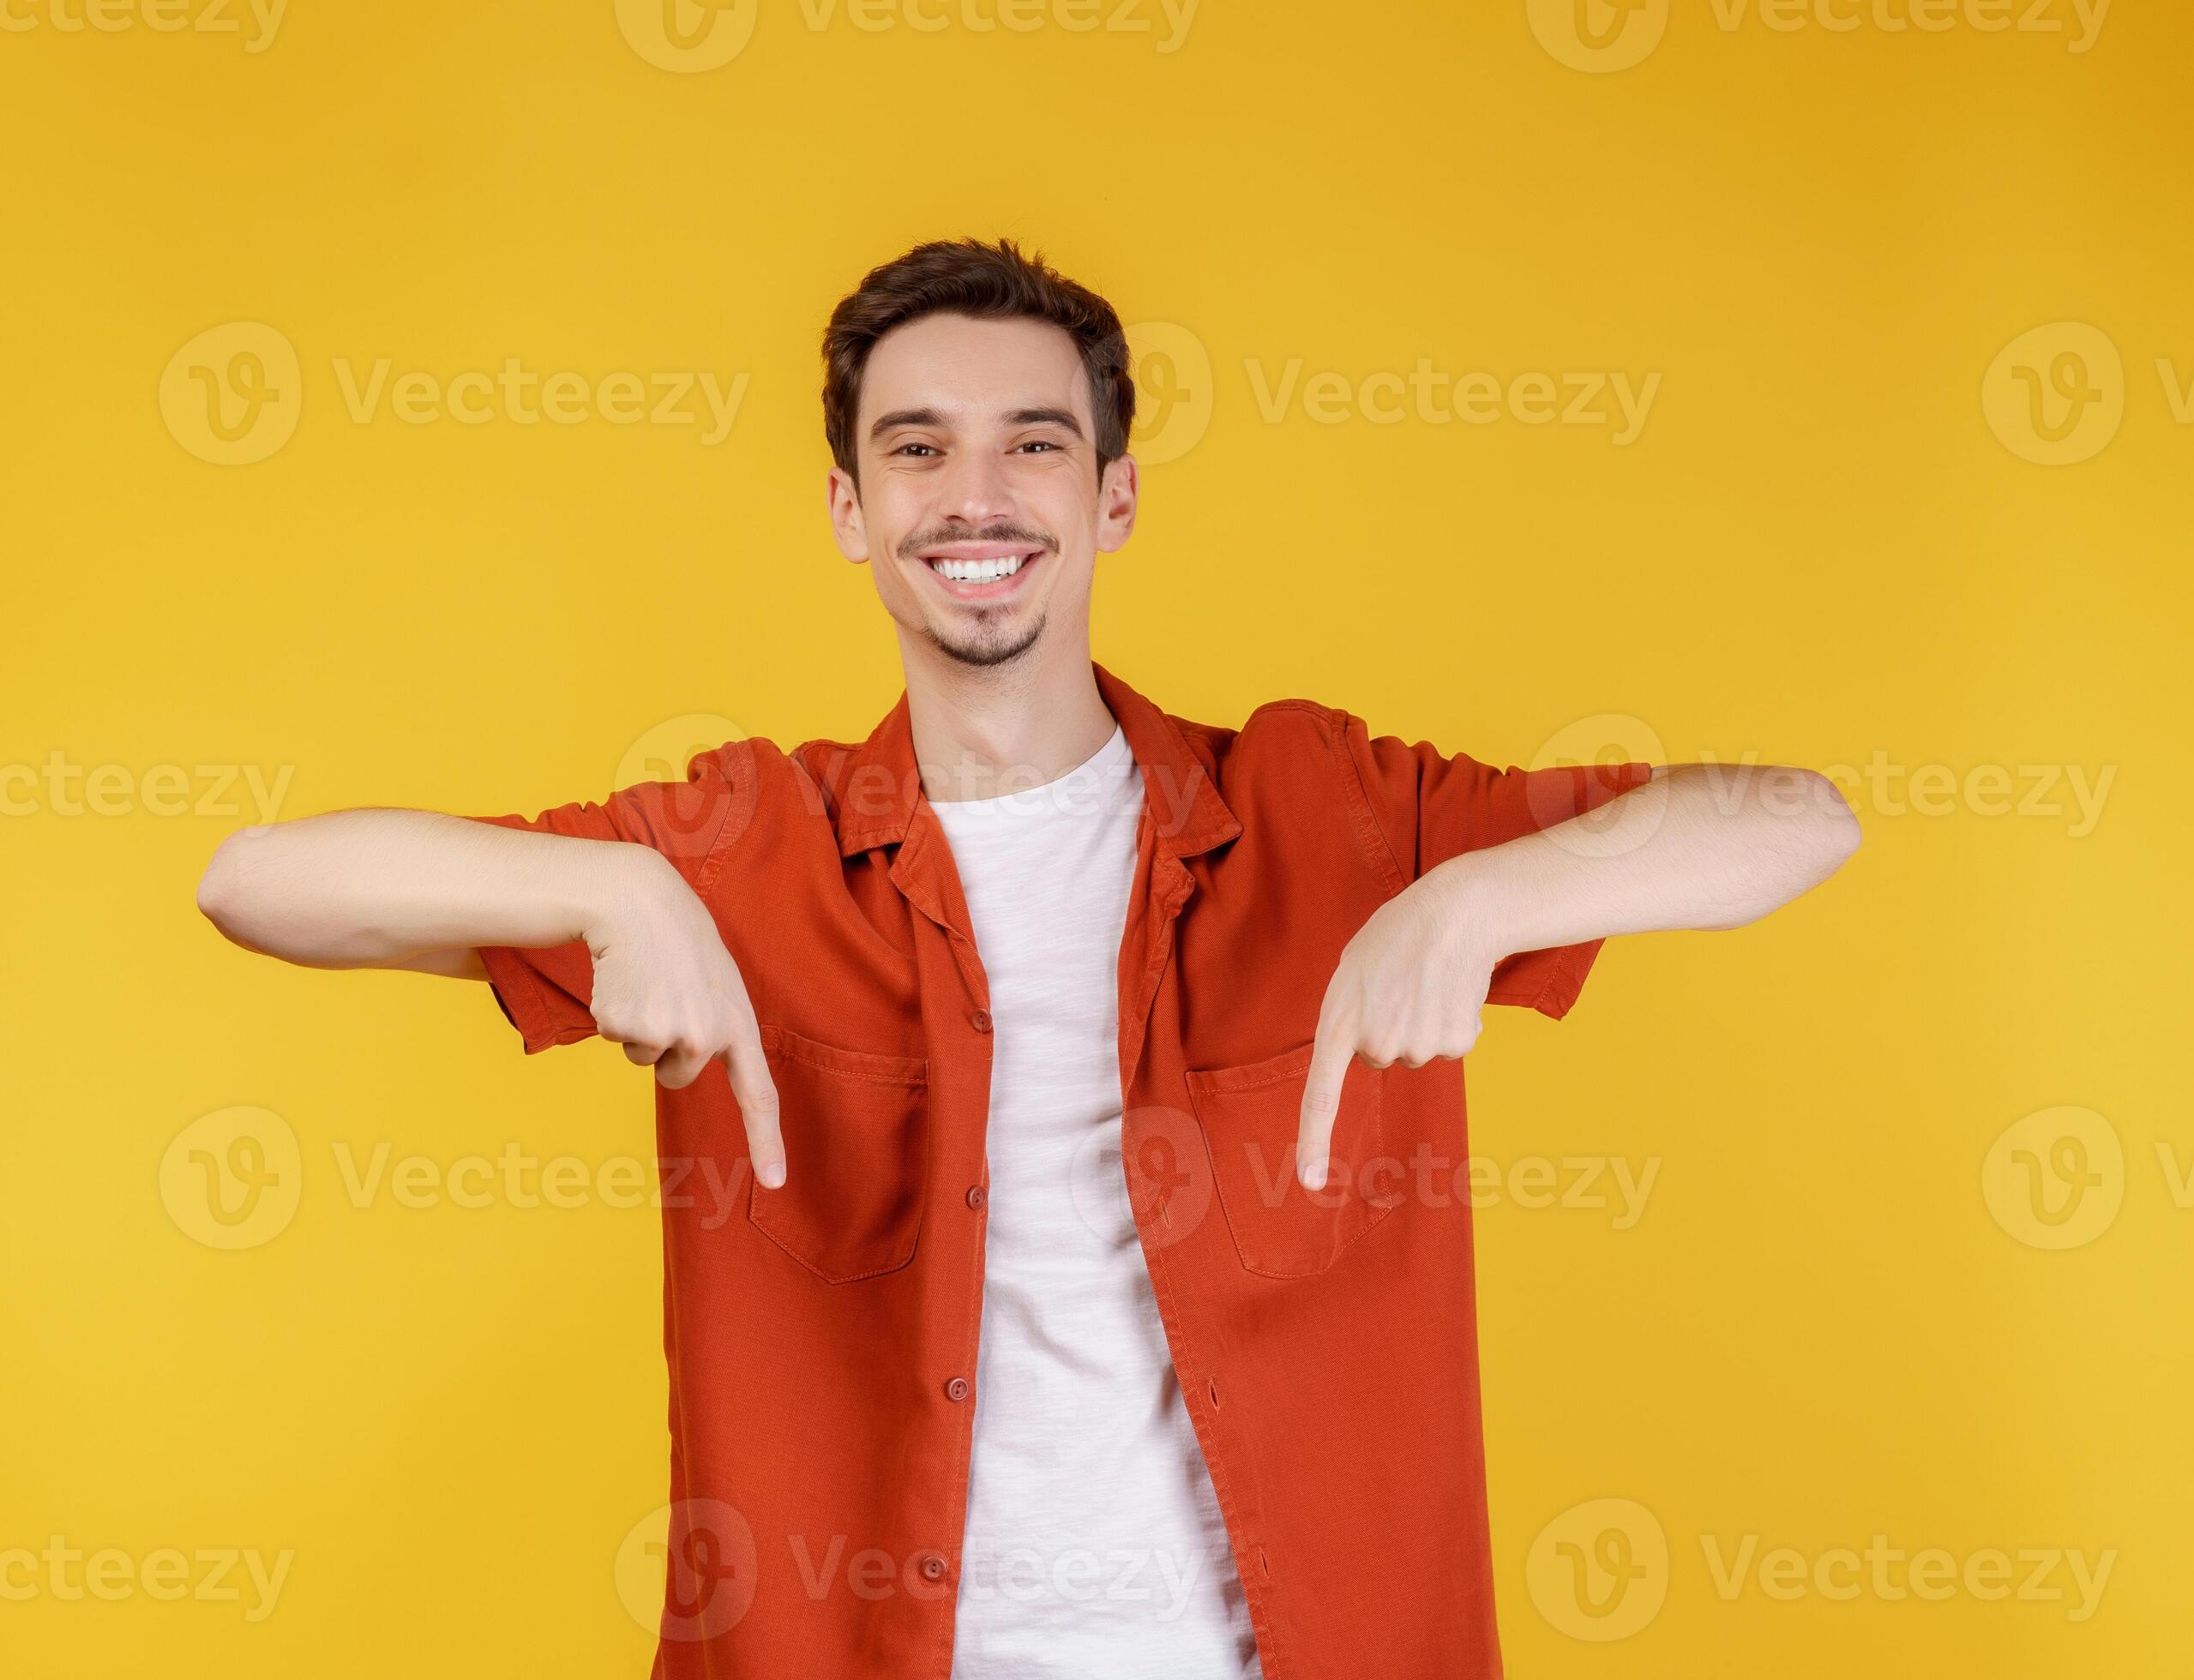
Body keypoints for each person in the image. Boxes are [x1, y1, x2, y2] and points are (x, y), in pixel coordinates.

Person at [195, 237, 1860, 1678]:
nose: (973, 495)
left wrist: (1473, 901)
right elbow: (257, 880)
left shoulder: (1326, 812)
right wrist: (607, 895)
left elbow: (1794, 817)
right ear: (849, 508)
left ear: (1111, 495)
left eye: (1032, 442)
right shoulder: (738, 848)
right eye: (916, 447)